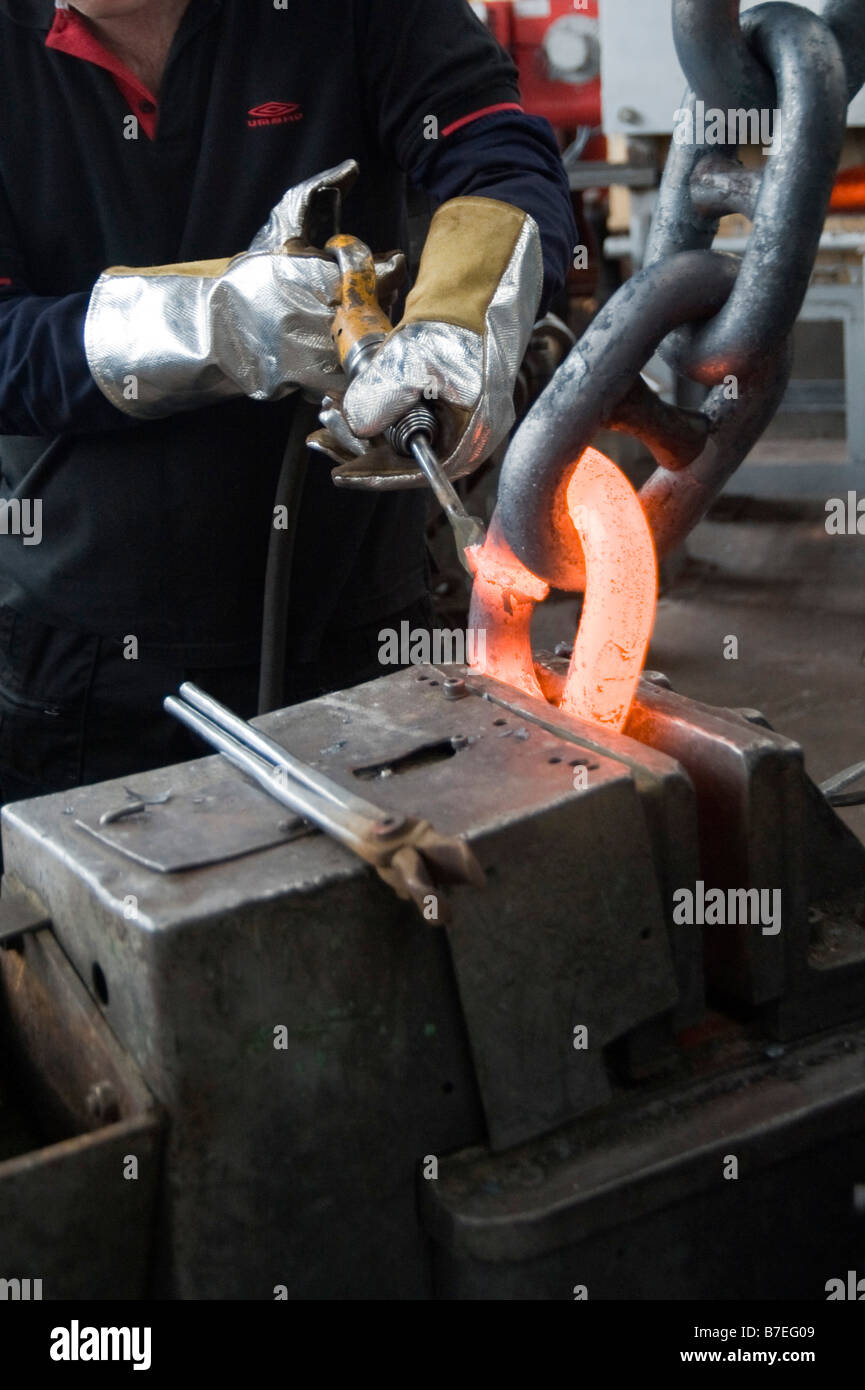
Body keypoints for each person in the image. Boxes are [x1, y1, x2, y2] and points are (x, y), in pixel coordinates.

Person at [0, 0, 576, 812]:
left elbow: (496, 158)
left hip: (365, 619)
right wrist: (214, 324)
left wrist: (460, 326)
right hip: (86, 660)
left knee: (398, 911)